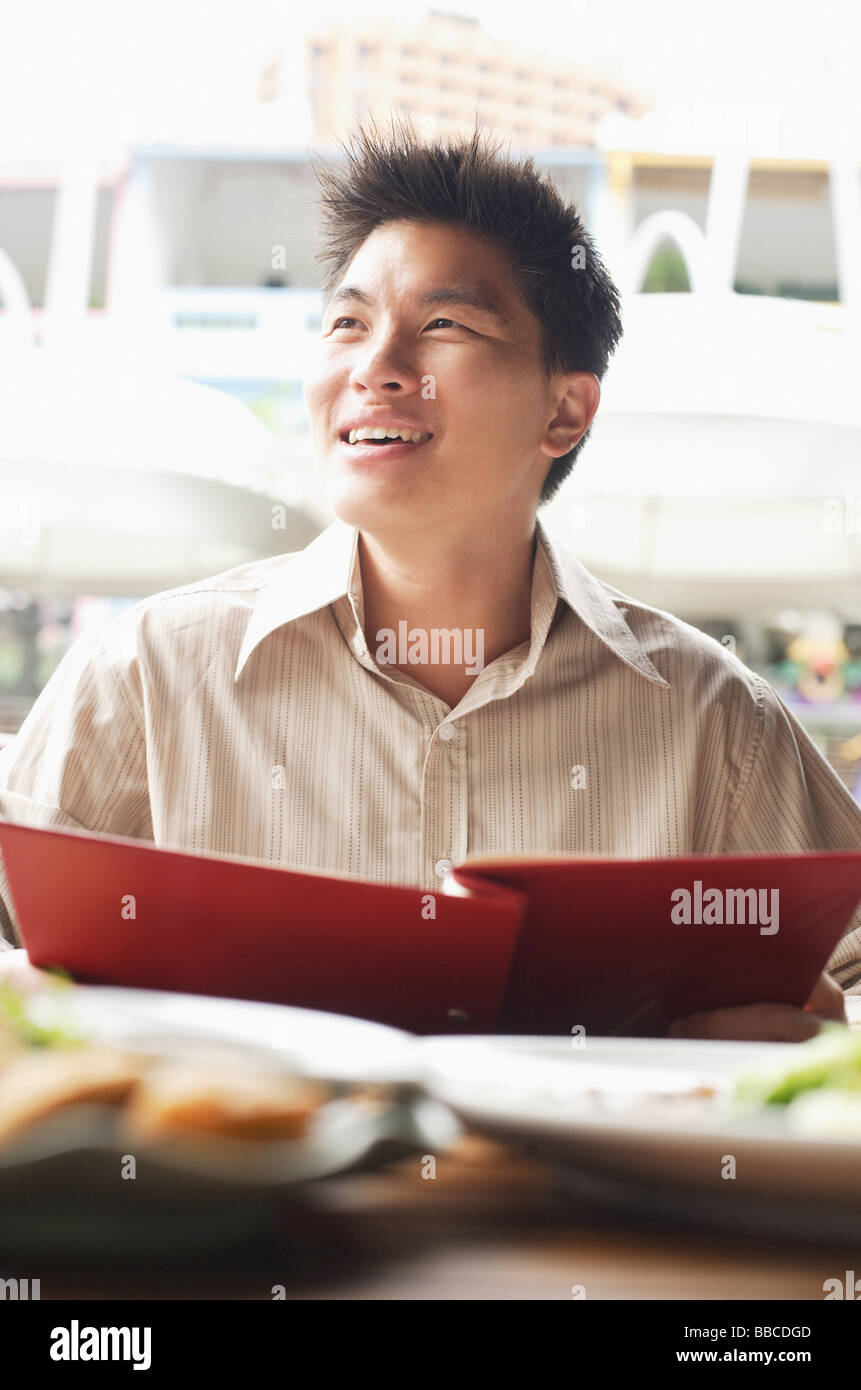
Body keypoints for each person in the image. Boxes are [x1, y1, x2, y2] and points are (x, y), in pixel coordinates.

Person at [1, 118, 859, 1039]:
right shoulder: (146, 677)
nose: (375, 367)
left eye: (443, 324)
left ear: (564, 409)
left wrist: (826, 1032)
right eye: (346, 323)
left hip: (585, 1185)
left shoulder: (713, 723)